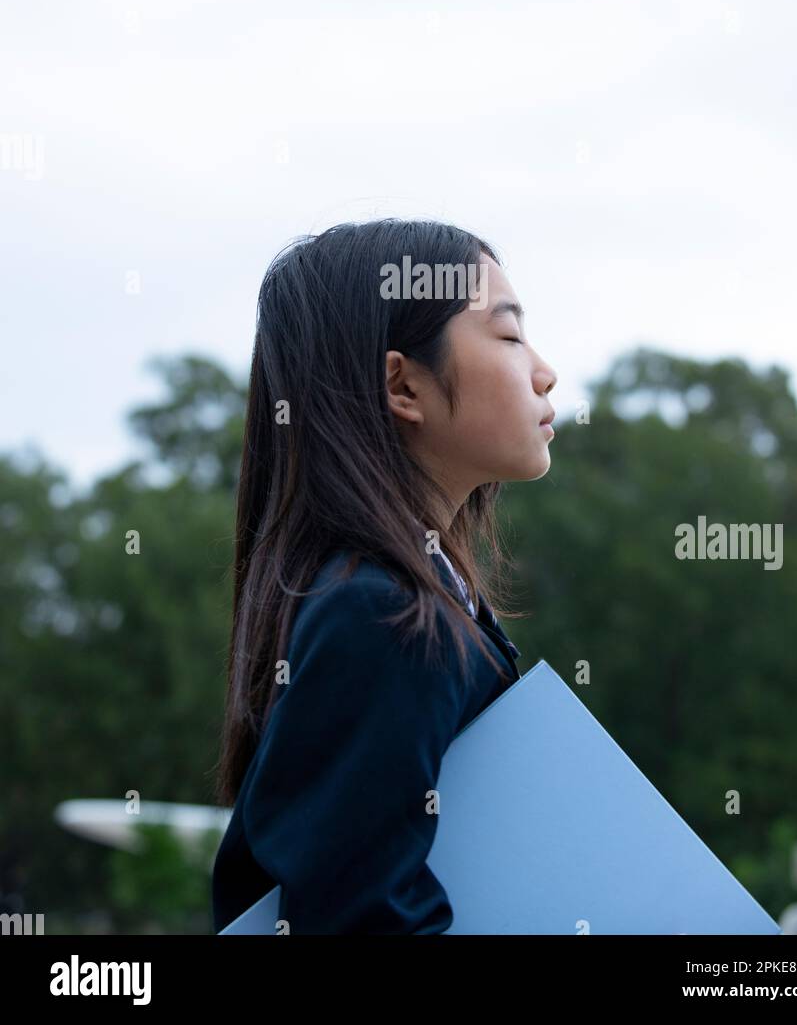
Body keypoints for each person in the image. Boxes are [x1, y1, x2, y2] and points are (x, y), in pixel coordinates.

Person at [211, 218, 557, 934]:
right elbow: (360, 918)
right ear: (402, 385)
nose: (544, 372)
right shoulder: (381, 613)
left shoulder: (393, 598)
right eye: (508, 336)